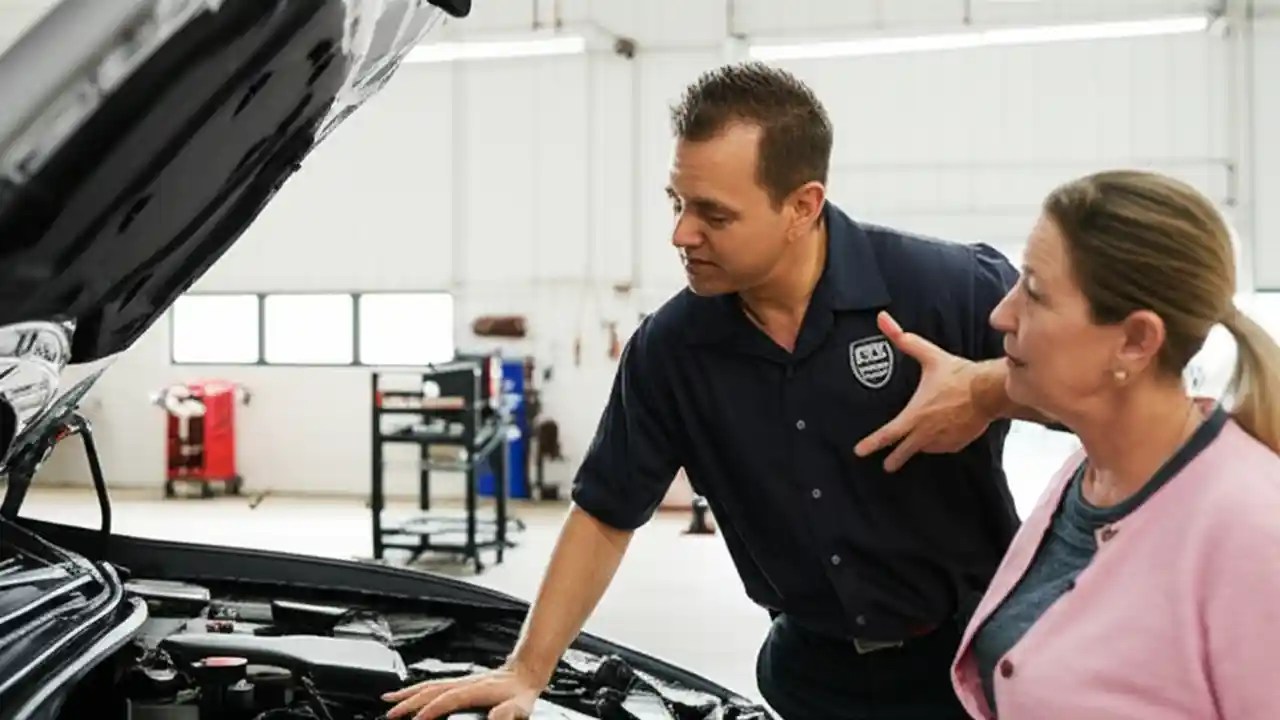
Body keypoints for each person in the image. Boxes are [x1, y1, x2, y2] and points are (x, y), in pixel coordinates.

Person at [382, 61, 1043, 720]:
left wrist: (991, 389)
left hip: (976, 668)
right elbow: (605, 514)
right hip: (813, 678)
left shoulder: (948, 289)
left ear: (802, 206)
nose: (680, 234)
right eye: (676, 202)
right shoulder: (671, 350)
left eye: (713, 214)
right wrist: (527, 670)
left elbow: (1116, 398)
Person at [865, 170, 1280, 718]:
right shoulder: (1089, 476)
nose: (1000, 315)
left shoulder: (1252, 531)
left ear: (1134, 341)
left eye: (1034, 293)